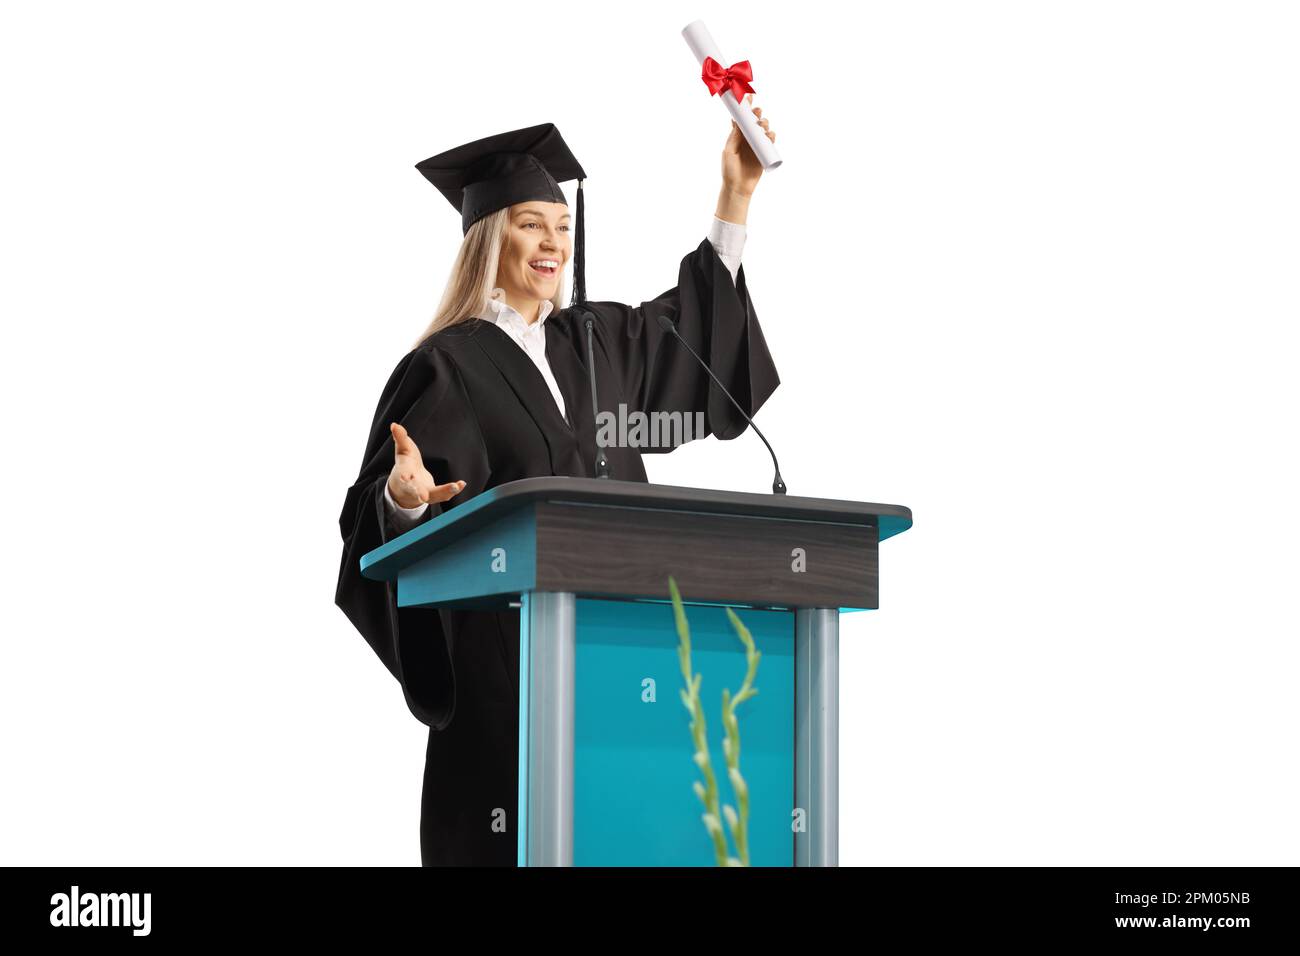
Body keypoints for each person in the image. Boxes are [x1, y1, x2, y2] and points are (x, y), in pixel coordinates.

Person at [335, 107, 780, 866]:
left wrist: (735, 194)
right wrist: (403, 501)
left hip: (619, 676)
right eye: (531, 224)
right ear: (487, 241)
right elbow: (377, 523)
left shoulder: (595, 344)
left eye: (562, 226)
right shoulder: (448, 366)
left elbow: (698, 341)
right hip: (510, 694)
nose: (553, 243)